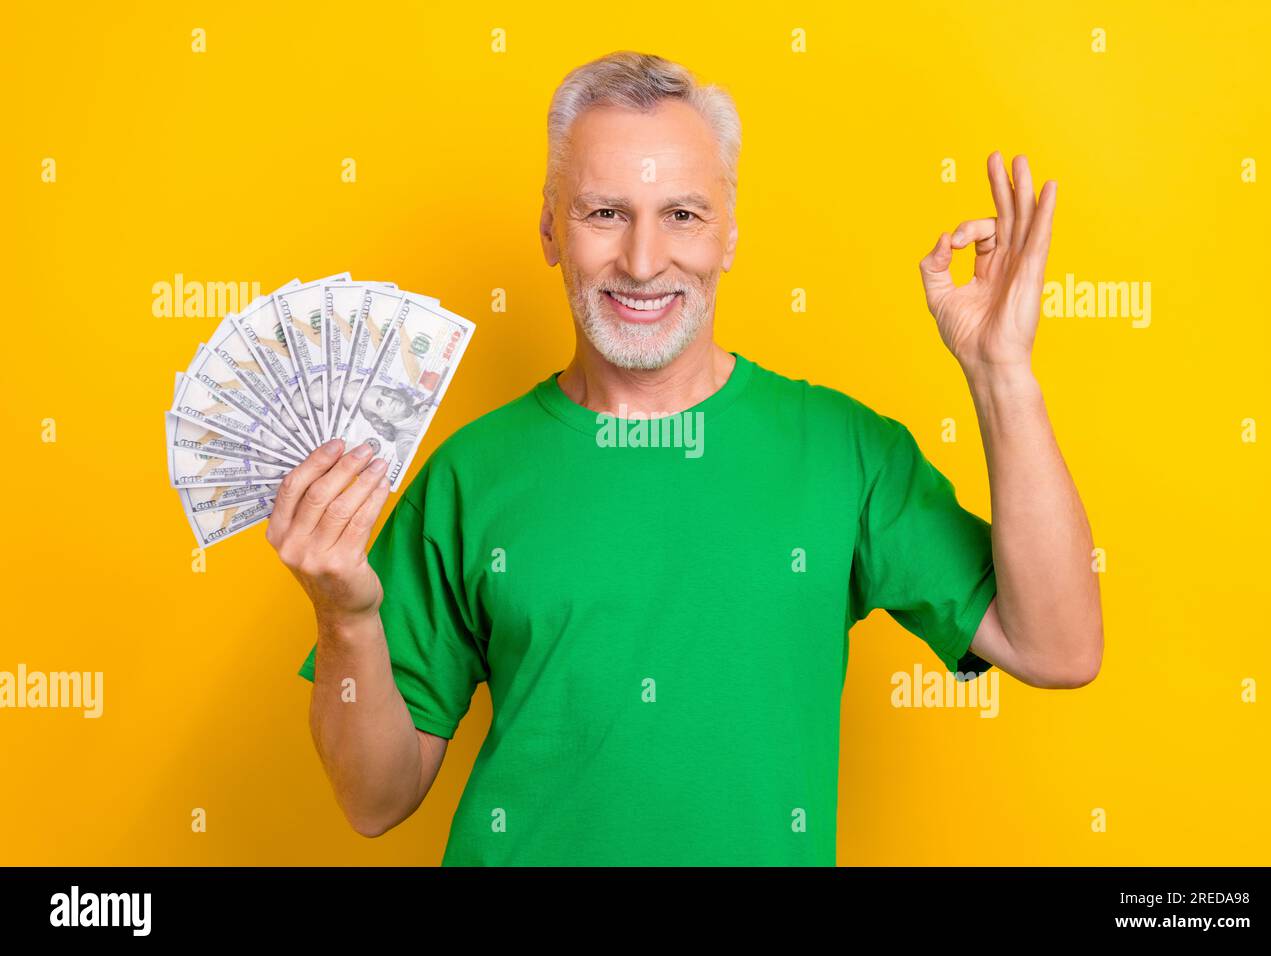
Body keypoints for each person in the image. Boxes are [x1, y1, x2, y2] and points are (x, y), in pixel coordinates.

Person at [274, 50, 1103, 866]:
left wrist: (1002, 373)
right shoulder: (468, 473)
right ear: (550, 228)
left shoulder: (845, 450)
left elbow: (1057, 649)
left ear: (730, 233)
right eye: (605, 213)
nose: (642, 262)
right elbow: (373, 801)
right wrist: (345, 620)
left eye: (681, 214)